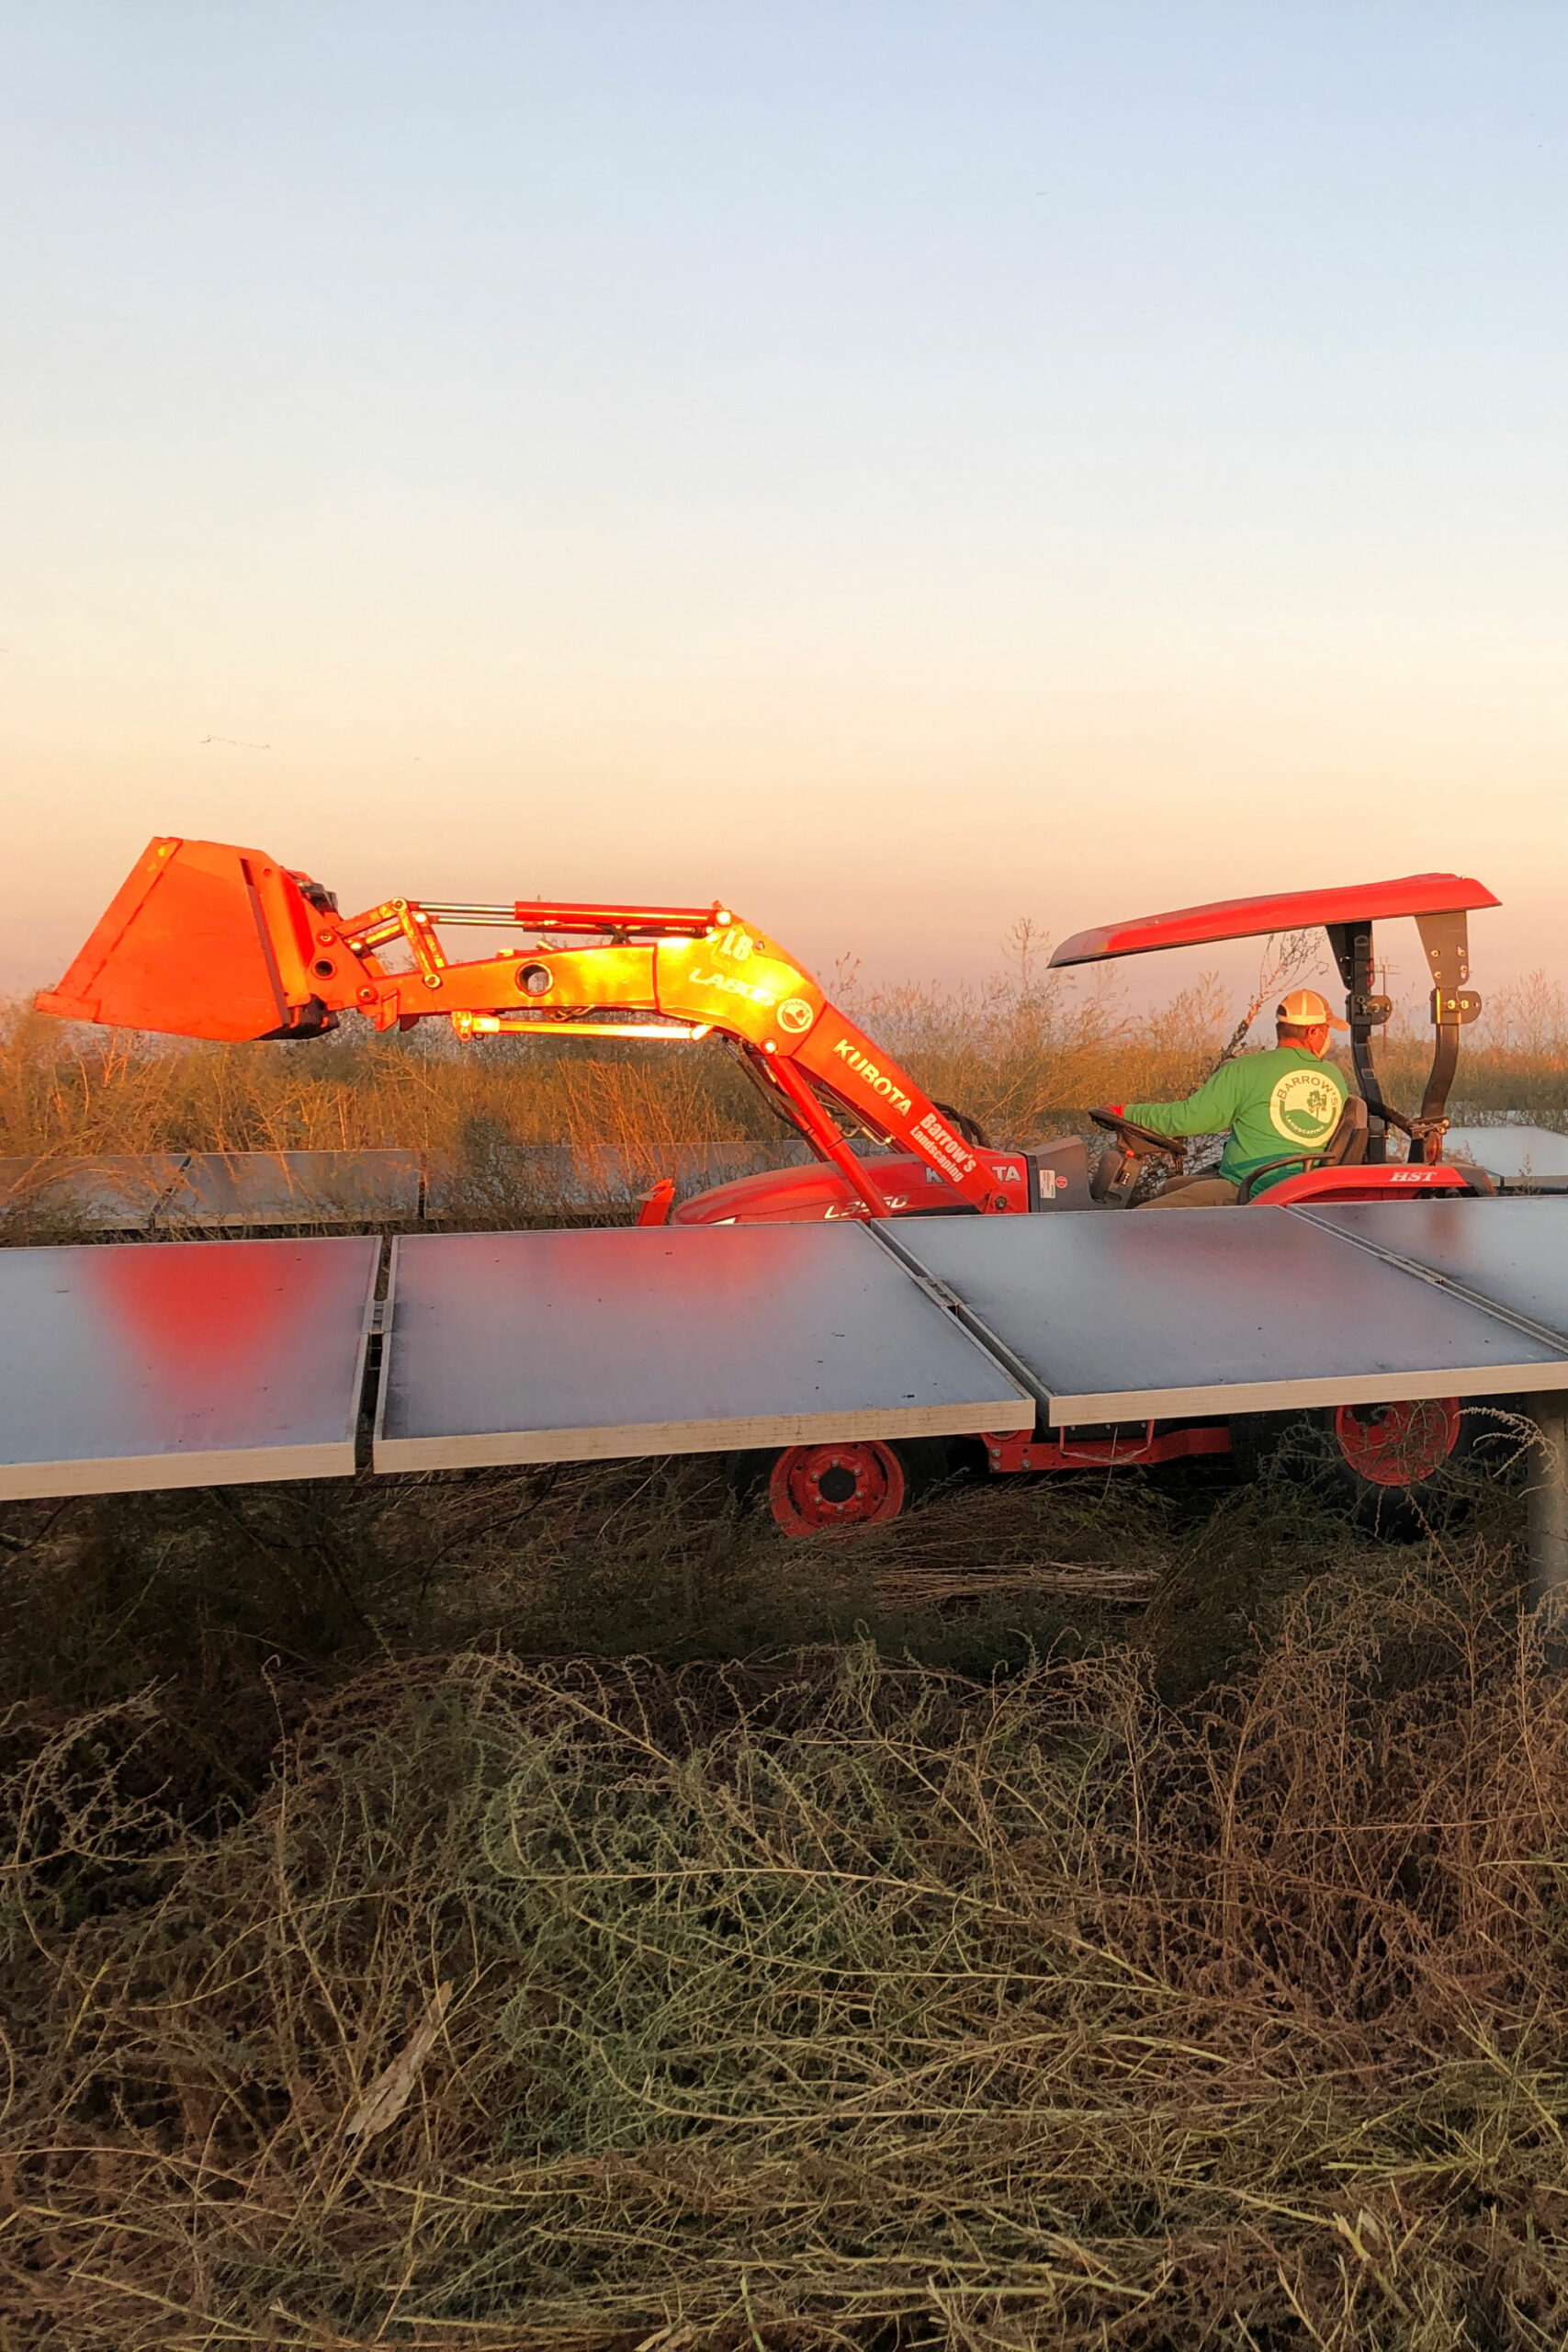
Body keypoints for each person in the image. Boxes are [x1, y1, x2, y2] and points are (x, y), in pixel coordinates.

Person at [1101, 988, 1350, 1208]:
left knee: (1136, 1223)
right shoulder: (1333, 1076)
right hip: (1295, 1185)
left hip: (1249, 1188)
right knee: (1172, 1186)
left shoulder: (1245, 1070)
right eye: (1327, 1030)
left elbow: (1190, 1118)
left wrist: (1126, 1112)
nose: (1328, 1037)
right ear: (1313, 1031)